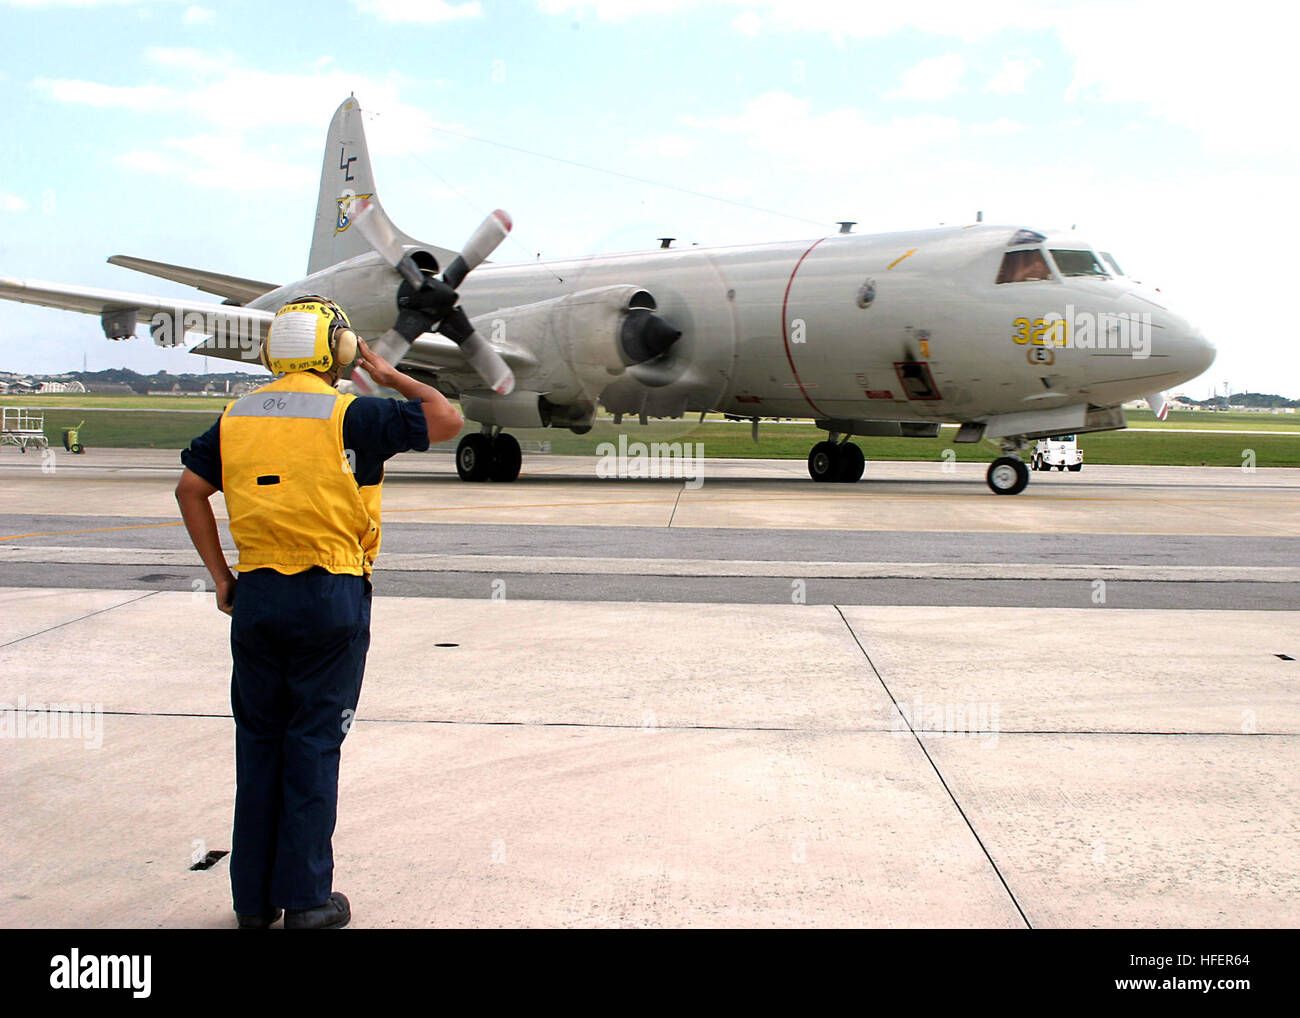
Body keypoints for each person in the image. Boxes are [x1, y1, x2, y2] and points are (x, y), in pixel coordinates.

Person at [175, 295, 463, 929]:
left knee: (258, 745)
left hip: (257, 594)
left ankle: (252, 903)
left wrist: (222, 578)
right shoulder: (352, 414)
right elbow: (445, 419)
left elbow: (190, 490)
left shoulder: (234, 417)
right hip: (328, 594)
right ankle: (307, 900)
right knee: (312, 744)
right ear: (338, 349)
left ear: (271, 351)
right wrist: (387, 374)